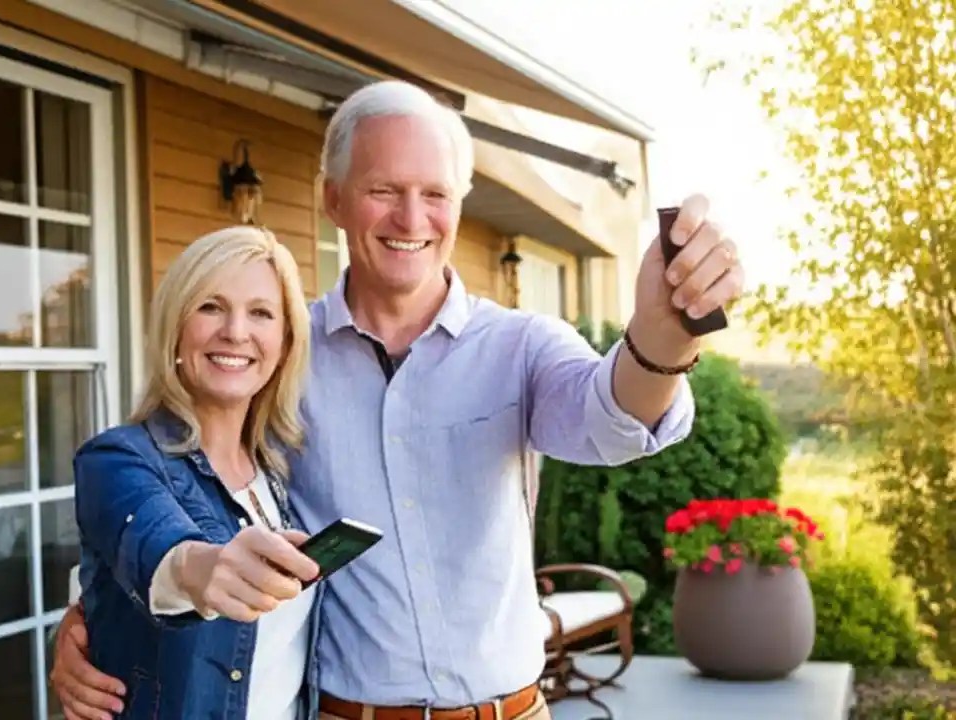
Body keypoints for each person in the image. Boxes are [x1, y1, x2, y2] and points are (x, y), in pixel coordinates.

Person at [53, 80, 746, 720]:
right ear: (333, 199)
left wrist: (661, 339)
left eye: (435, 194)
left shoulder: (521, 346)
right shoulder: (284, 357)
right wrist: (93, 619)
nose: (411, 217)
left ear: (459, 202)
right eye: (384, 189)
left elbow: (615, 420)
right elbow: (174, 499)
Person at [71, 225, 330, 719]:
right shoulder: (116, 460)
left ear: (285, 341)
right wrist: (204, 569)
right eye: (210, 306)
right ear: (175, 328)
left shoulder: (284, 471)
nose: (235, 331)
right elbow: (159, 549)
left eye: (260, 312)